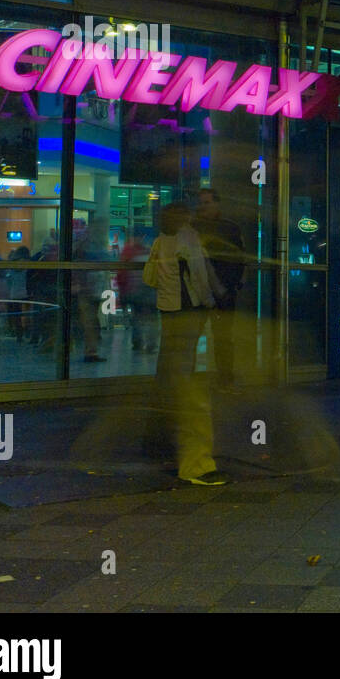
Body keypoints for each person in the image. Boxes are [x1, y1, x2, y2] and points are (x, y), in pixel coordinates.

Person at [142, 202, 226, 486]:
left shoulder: (158, 241)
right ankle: (186, 447)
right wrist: (210, 301)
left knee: (169, 365)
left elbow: (149, 277)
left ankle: (159, 424)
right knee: (186, 370)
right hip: (189, 309)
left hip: (168, 308)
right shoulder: (188, 239)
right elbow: (200, 276)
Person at [193, 190, 246, 384]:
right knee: (215, 336)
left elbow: (240, 257)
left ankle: (225, 377)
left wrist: (236, 283)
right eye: (201, 203)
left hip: (222, 290)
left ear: (217, 204)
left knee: (222, 337)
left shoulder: (226, 228)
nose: (202, 207)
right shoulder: (196, 227)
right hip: (210, 290)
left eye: (206, 203)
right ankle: (223, 378)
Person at [71, 219, 110, 363]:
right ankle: (90, 350)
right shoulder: (88, 245)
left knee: (90, 320)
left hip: (90, 288)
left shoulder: (86, 245)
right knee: (90, 320)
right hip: (89, 288)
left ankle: (90, 350)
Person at [119, 229, 157, 355]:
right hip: (149, 290)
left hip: (135, 290)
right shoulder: (148, 251)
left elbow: (122, 272)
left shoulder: (128, 252)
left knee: (138, 316)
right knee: (151, 317)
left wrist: (123, 290)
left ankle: (138, 342)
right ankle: (150, 343)